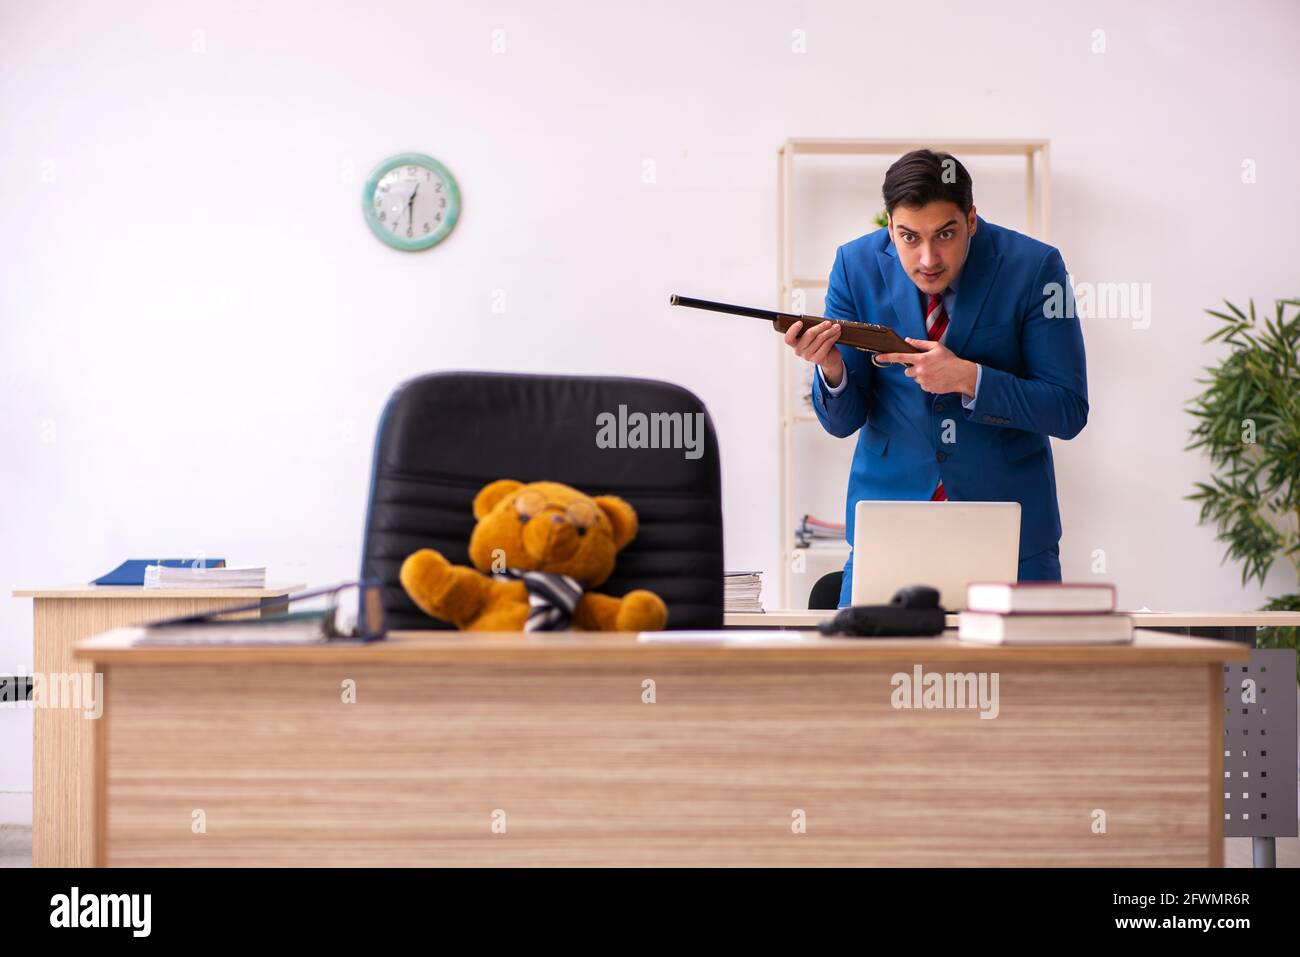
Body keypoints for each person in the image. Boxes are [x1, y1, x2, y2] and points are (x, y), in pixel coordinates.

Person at [786, 149, 1088, 608]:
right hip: (890, 529)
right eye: (909, 237)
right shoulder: (855, 266)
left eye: (945, 234)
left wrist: (970, 378)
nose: (927, 258)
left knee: (1022, 680)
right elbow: (842, 422)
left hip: (1013, 538)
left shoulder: (1035, 268)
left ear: (971, 219)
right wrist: (830, 369)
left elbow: (1067, 409)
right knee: (868, 678)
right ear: (890, 226)